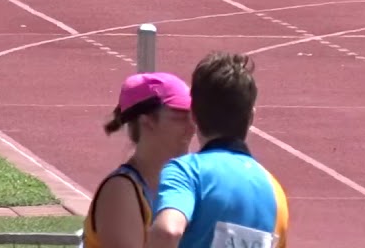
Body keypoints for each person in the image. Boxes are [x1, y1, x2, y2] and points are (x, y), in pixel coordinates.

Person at [146, 52, 289, 248]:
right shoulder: (274, 191)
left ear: (193, 114)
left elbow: (168, 231)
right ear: (251, 118)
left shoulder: (187, 172)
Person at [83, 73, 194, 248]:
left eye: (192, 117)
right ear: (147, 121)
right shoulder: (120, 191)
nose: (191, 127)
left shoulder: (186, 181)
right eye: (180, 118)